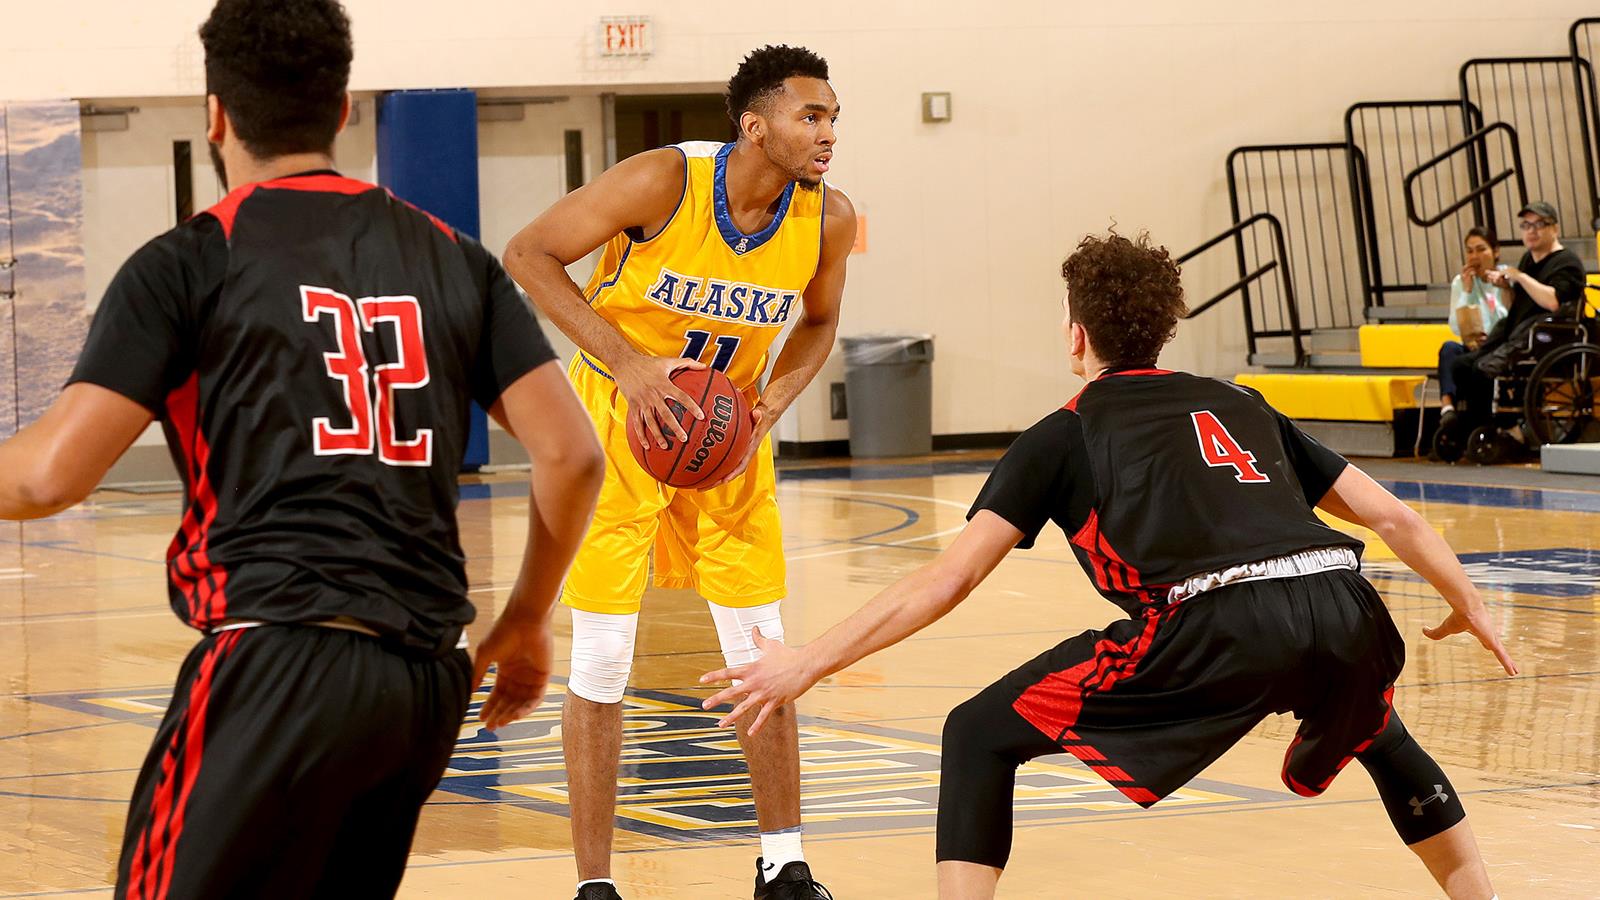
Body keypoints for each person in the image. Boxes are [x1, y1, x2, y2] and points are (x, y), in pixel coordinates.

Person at [701, 231, 1519, 900]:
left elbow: (944, 582)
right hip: (1346, 609)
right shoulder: (1241, 402)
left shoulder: (1065, 432)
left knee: (977, 734)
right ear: (1164, 330)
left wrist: (803, 664)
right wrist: (1471, 601)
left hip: (1216, 626)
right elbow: (1392, 516)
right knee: (1375, 720)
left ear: (1076, 334)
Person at [0, 1, 604, 896]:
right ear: (344, 108)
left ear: (216, 115)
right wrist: (525, 614)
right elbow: (573, 454)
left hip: (275, 662)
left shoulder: (190, 262)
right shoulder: (453, 255)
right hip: (421, 686)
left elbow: (50, 476)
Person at [504, 44, 855, 900]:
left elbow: (816, 324)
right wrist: (627, 363)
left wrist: (777, 395)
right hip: (618, 430)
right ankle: (596, 884)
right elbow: (528, 256)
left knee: (760, 653)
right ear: (755, 124)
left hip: (726, 438)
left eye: (834, 118)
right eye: (811, 116)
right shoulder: (665, 182)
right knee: (602, 655)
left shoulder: (831, 217)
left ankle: (785, 863)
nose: (829, 134)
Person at [1442, 201, 1588, 438]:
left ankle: (1505, 429)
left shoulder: (1567, 262)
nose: (1531, 230)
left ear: (1554, 229)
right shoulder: (1528, 261)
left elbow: (1553, 302)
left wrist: (1519, 277)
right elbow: (1516, 306)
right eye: (1526, 225)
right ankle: (1477, 425)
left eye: (1539, 224)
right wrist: (1506, 288)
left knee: (1483, 369)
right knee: (1461, 365)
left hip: (1545, 336)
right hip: (1517, 328)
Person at [1437, 226, 1506, 413]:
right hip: (1472, 346)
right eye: (1469, 251)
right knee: (1449, 349)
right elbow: (1455, 326)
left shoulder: (1505, 278)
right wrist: (1467, 291)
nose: (1474, 256)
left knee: (1472, 364)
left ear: (1495, 251)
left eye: (1481, 249)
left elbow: (1509, 319)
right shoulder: (1460, 282)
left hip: (1498, 347)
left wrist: (1503, 287)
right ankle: (1447, 407)